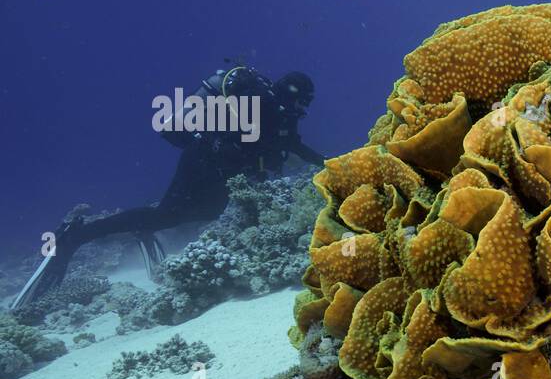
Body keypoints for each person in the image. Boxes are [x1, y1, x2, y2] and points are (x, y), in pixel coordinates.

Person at [11, 65, 324, 310]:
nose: (302, 108)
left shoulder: (279, 115)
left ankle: (140, 228)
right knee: (167, 214)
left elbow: (291, 145)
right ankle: (76, 235)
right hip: (202, 160)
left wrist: (330, 163)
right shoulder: (263, 103)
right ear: (290, 92)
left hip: (217, 170)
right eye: (302, 101)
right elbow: (251, 140)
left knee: (202, 212)